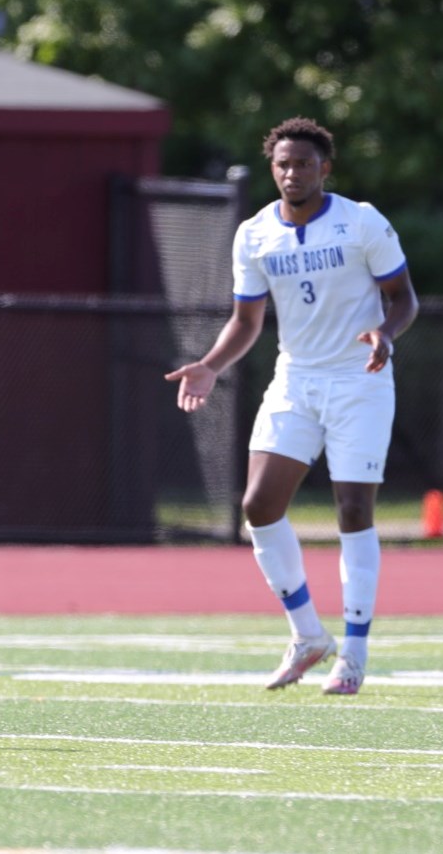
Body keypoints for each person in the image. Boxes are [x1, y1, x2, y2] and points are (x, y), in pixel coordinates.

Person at [166, 117, 416, 696]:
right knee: (258, 504)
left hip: (360, 378)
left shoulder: (361, 221)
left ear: (324, 168)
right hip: (296, 379)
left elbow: (402, 297)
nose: (291, 172)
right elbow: (246, 319)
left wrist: (387, 334)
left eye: (303, 163)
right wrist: (210, 364)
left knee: (353, 509)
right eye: (282, 163)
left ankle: (352, 653)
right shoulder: (255, 234)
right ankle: (308, 635)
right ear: (272, 169)